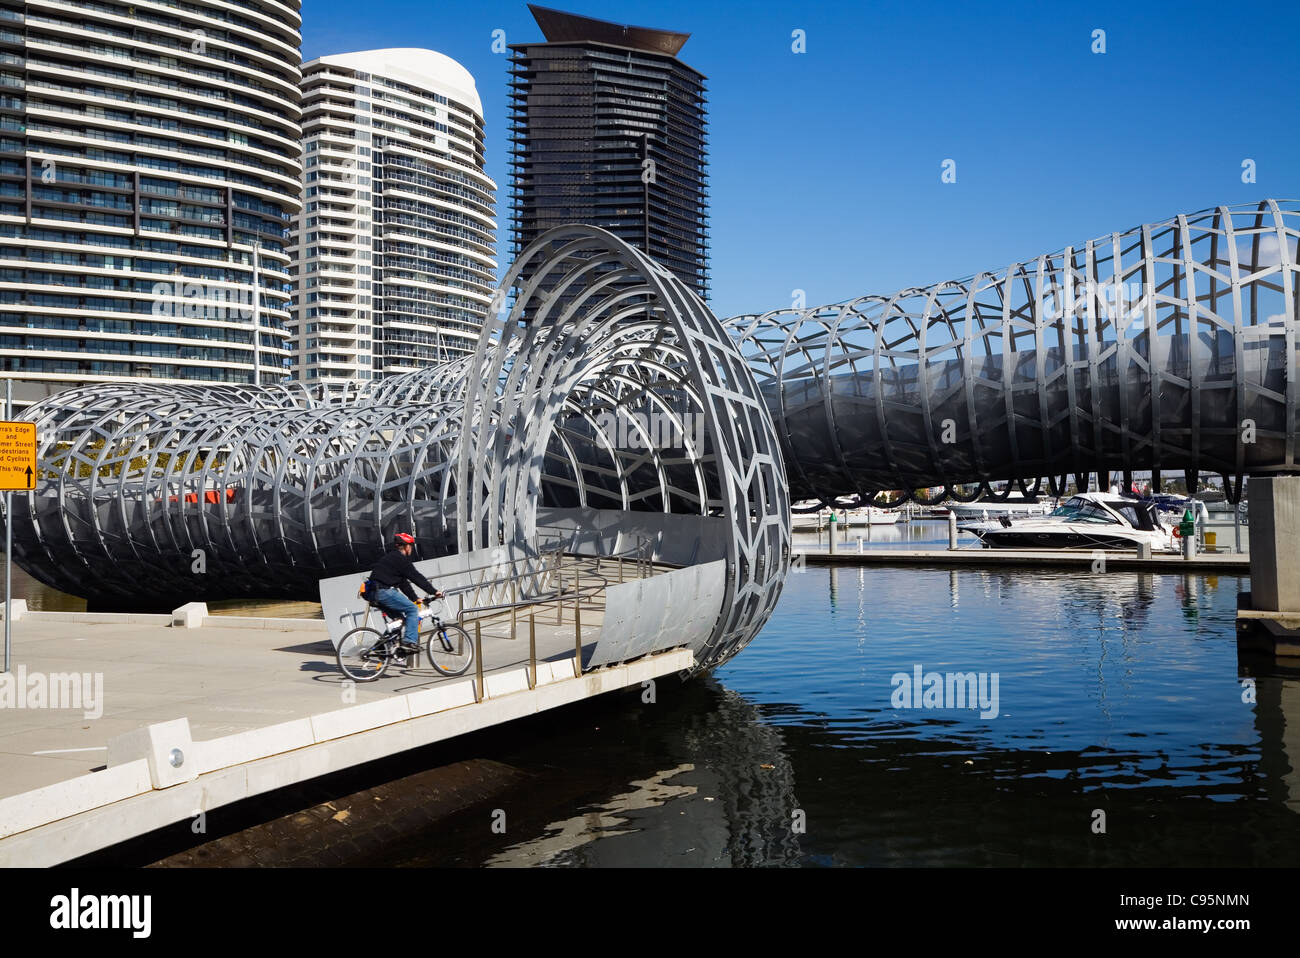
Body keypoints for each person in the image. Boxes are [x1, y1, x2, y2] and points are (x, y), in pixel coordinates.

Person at [368, 532, 444, 655]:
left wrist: (415, 597)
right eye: (411, 546)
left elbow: (403, 583)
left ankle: (380, 647)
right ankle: (409, 642)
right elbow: (416, 577)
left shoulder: (393, 558)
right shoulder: (401, 559)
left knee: (399, 620)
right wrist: (434, 591)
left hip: (374, 592)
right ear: (407, 546)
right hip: (383, 591)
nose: (412, 549)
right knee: (412, 610)